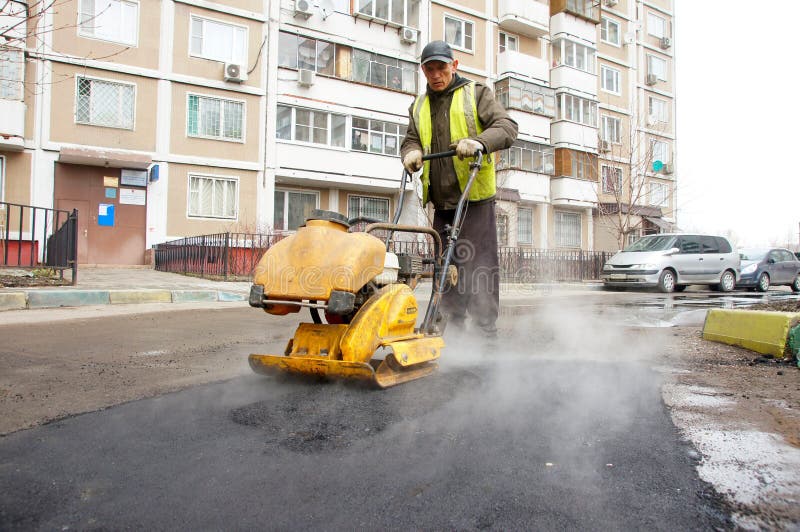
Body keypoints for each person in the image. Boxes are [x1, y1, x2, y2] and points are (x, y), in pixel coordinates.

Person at [400, 40, 518, 338]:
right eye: (430, 69)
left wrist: (479, 141)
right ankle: (452, 331)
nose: (436, 74)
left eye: (442, 67)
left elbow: (506, 127)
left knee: (480, 267)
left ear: (454, 66)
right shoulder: (418, 107)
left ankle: (485, 332)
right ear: (423, 70)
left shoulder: (476, 94)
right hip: (442, 204)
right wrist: (410, 152)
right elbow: (411, 138)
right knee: (446, 267)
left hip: (474, 199)